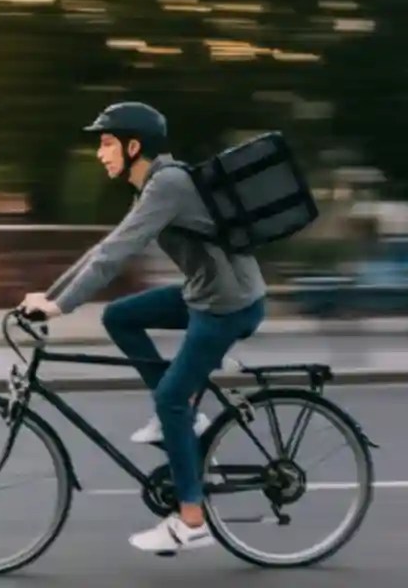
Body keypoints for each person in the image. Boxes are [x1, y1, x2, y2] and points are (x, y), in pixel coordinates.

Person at [19, 102, 267, 555]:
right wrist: (49, 295)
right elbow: (106, 247)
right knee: (120, 316)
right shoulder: (155, 187)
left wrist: (59, 308)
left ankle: (191, 520)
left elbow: (115, 257)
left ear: (134, 147)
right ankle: (184, 414)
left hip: (228, 307)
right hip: (205, 296)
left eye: (107, 143)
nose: (100, 153)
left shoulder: (168, 185)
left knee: (171, 397)